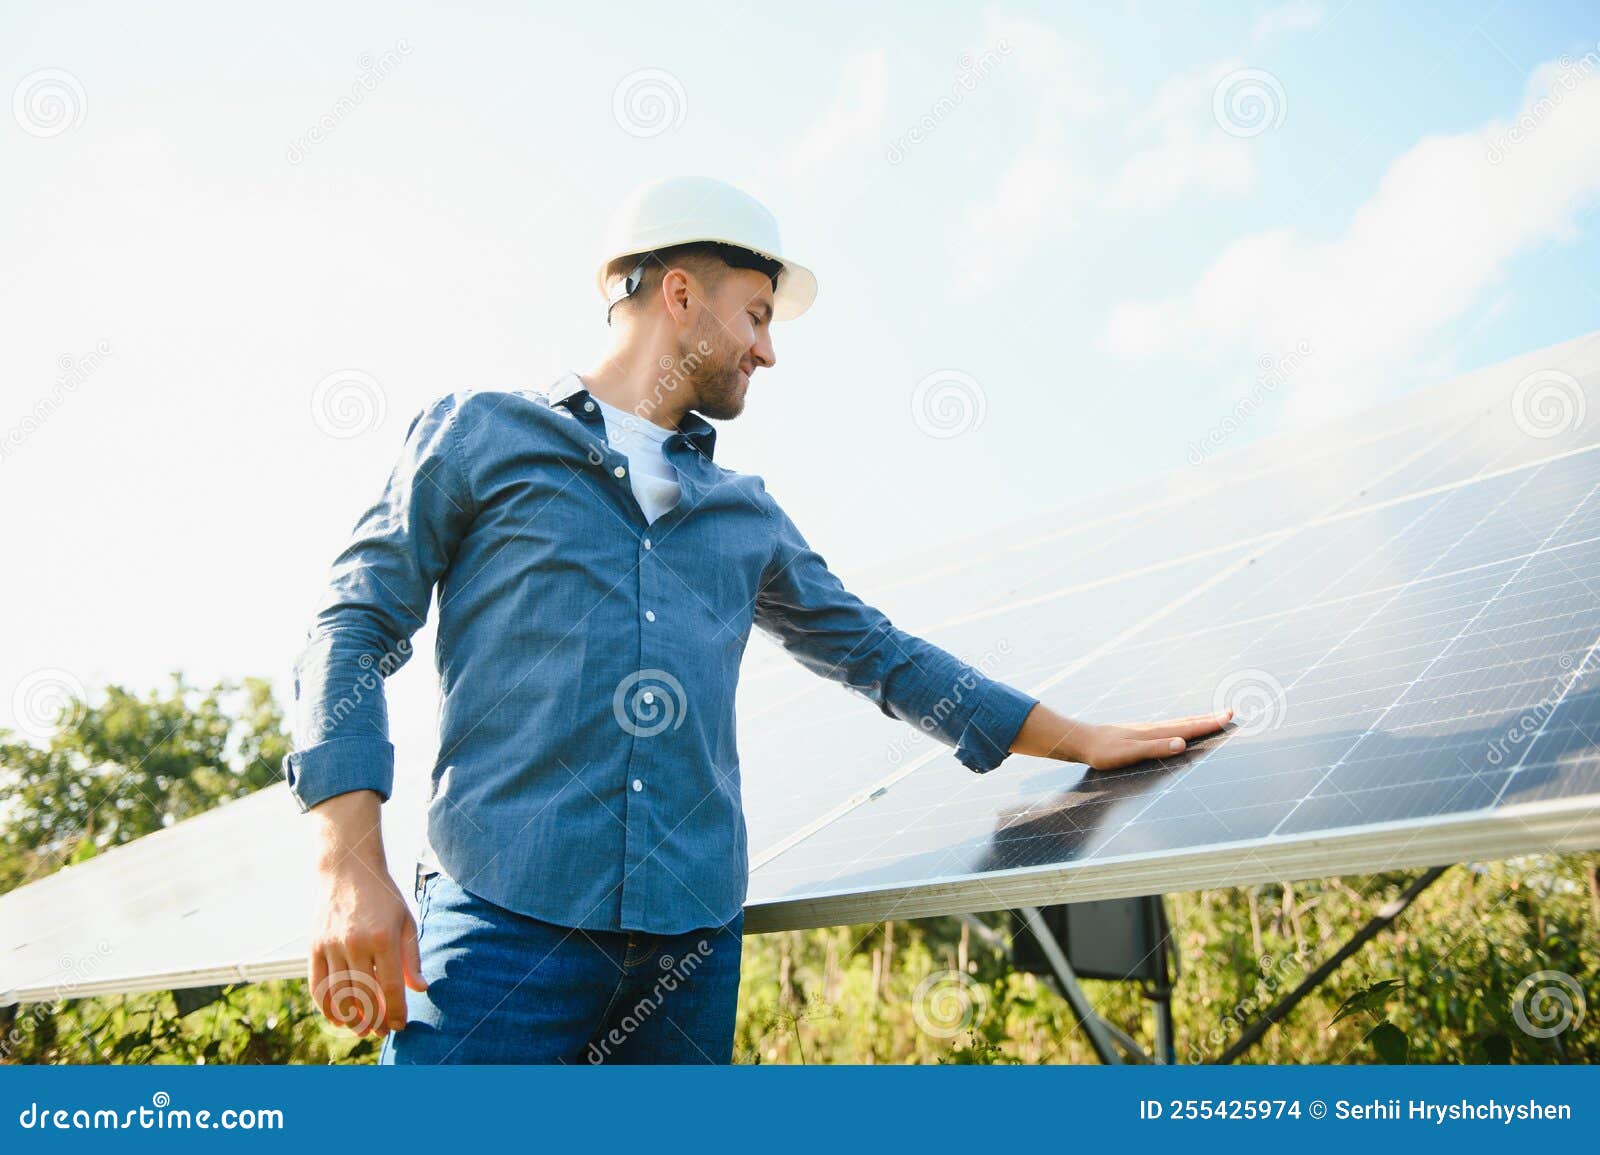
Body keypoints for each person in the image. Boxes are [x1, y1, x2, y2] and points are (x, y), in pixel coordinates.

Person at [283, 175, 1232, 1064]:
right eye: (760, 315)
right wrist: (346, 860)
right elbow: (350, 627)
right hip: (501, 931)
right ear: (683, 295)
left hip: (691, 954)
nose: (768, 351)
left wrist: (1077, 735)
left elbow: (878, 653)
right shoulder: (482, 434)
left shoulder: (745, 512)